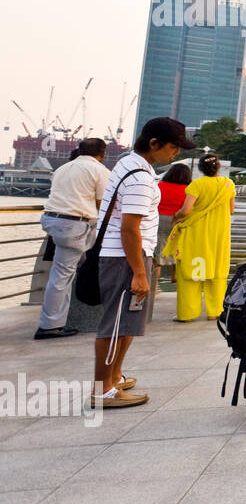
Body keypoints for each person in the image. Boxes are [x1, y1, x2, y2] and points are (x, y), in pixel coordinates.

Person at [90, 118, 194, 409]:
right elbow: (129, 228)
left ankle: (114, 377)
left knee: (126, 323)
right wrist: (139, 272)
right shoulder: (140, 177)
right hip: (126, 257)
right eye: (173, 147)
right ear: (154, 144)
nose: (175, 154)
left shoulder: (129, 163)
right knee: (115, 325)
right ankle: (103, 389)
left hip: (124, 255)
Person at [34, 137, 111, 339]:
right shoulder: (100, 171)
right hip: (75, 224)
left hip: (53, 220)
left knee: (63, 273)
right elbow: (103, 203)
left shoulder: (63, 168)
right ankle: (50, 325)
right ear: (102, 153)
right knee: (62, 276)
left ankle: (60, 318)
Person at [162, 153, 236, 322]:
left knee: (191, 272)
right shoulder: (229, 184)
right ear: (218, 167)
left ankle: (187, 314)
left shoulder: (197, 185)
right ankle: (215, 312)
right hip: (219, 235)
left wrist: (176, 216)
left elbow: (186, 210)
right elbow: (231, 210)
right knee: (217, 273)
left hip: (196, 234)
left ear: (200, 168)